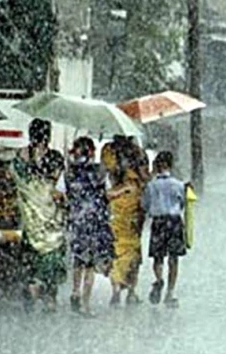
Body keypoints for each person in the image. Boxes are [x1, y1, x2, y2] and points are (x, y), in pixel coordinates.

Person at [11, 126, 67, 313]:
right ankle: (48, 296)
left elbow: (14, 176)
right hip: (50, 217)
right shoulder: (55, 158)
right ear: (48, 136)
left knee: (32, 257)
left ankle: (32, 285)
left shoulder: (21, 158)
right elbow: (59, 185)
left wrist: (27, 162)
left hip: (30, 218)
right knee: (52, 256)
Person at [64, 136, 114, 316]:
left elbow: (62, 194)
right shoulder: (99, 172)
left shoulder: (70, 173)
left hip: (77, 222)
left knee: (78, 260)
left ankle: (75, 291)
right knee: (90, 265)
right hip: (94, 222)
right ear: (92, 151)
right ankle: (85, 305)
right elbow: (107, 195)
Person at [101, 135, 149, 306]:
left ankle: (115, 291)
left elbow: (105, 173)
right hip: (134, 205)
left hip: (115, 205)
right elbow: (145, 178)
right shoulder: (138, 153)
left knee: (116, 249)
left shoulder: (109, 151)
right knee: (133, 252)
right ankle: (131, 291)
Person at [141, 151, 190, 306]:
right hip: (174, 221)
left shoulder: (150, 185)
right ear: (171, 165)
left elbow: (145, 205)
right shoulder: (178, 185)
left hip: (158, 222)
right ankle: (170, 293)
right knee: (174, 259)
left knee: (158, 257)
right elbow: (183, 203)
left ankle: (159, 279)